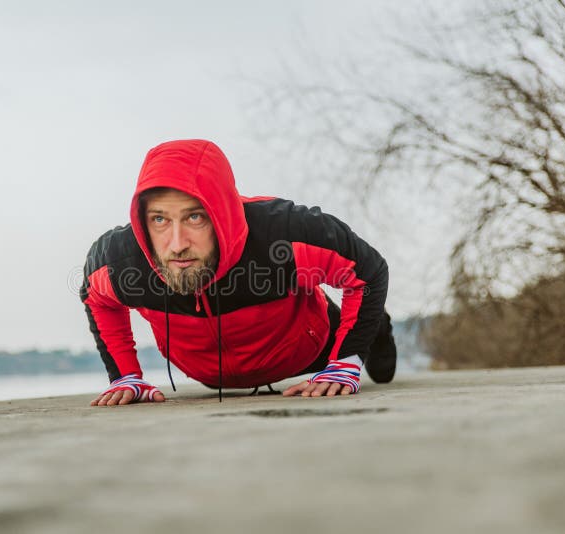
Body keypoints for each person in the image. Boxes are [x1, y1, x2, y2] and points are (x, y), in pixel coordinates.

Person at [79, 139, 396, 406]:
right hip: (205, 370)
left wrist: (345, 362)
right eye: (160, 219)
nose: (177, 245)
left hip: (306, 348)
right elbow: (96, 299)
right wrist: (125, 376)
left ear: (220, 212)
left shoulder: (282, 233)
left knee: (363, 322)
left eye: (194, 217)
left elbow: (367, 272)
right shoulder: (122, 259)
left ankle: (378, 327)